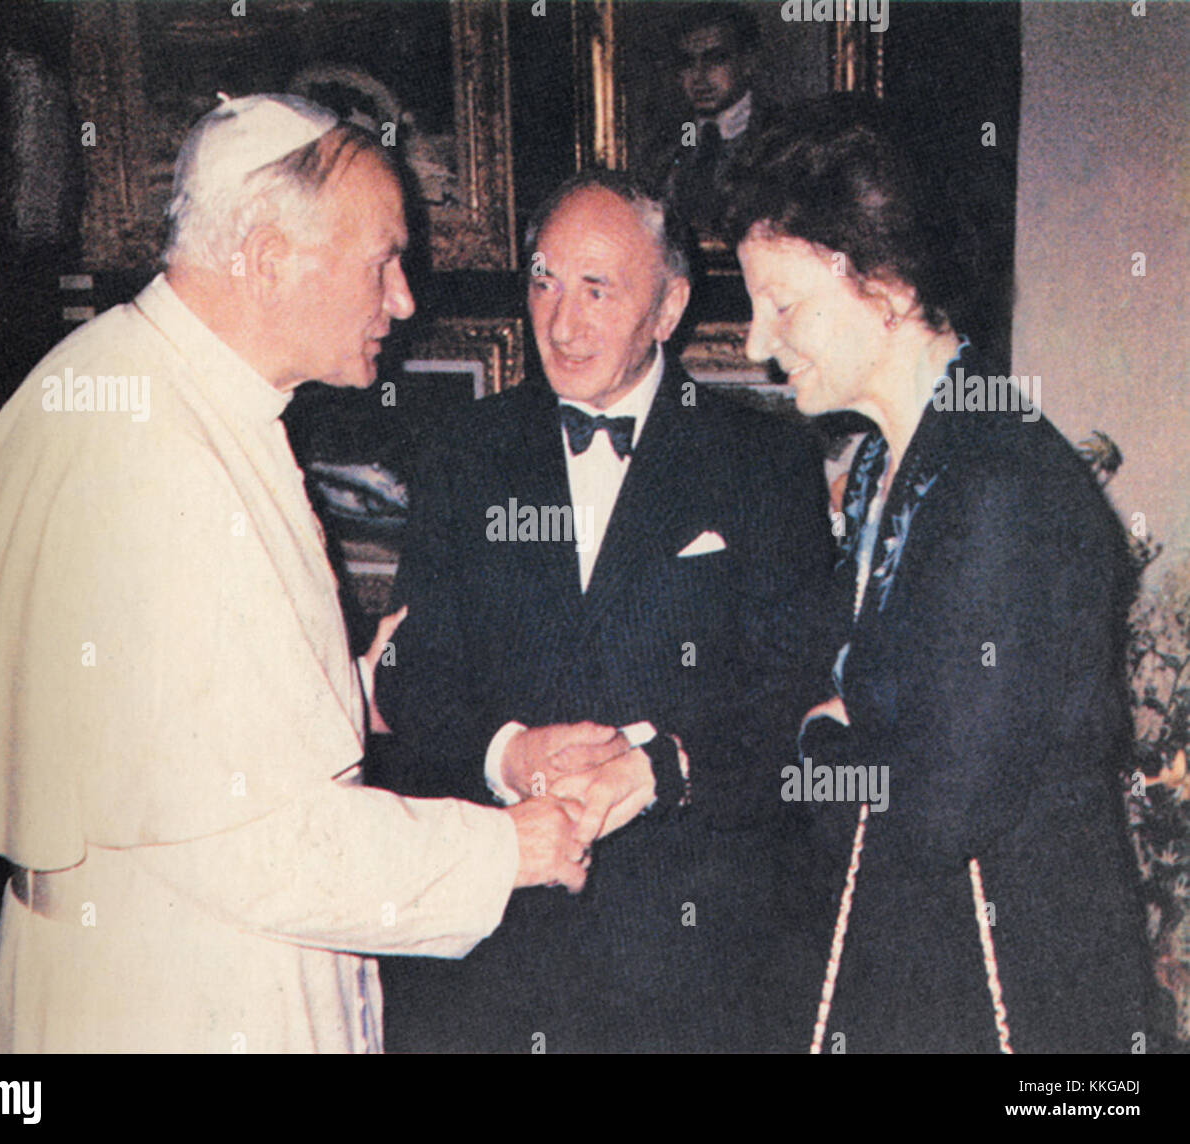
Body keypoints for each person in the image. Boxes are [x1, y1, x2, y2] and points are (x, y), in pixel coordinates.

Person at [0, 93, 591, 1054]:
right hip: (187, 991)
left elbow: (189, 737)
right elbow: (253, 847)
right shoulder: (149, 455)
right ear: (270, 258)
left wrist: (374, 692)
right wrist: (508, 847)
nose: (403, 300)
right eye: (384, 261)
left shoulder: (126, 384)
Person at [371, 169, 837, 1052]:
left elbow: (796, 693)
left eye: (597, 289)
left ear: (668, 308)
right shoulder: (464, 450)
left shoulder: (764, 462)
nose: (561, 320)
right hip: (490, 953)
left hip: (692, 957)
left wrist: (659, 764)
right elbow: (409, 666)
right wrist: (505, 751)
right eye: (544, 280)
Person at [728, 95, 1152, 1052]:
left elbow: (932, 813)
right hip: (921, 966)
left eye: (782, 304)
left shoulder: (1001, 482)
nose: (756, 345)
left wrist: (818, 744)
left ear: (885, 282)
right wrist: (844, 735)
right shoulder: (888, 462)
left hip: (1024, 996)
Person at [653, 5, 761, 236]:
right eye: (687, 63)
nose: (699, 76)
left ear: (748, 62)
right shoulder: (670, 142)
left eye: (716, 59)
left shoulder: (779, 135)